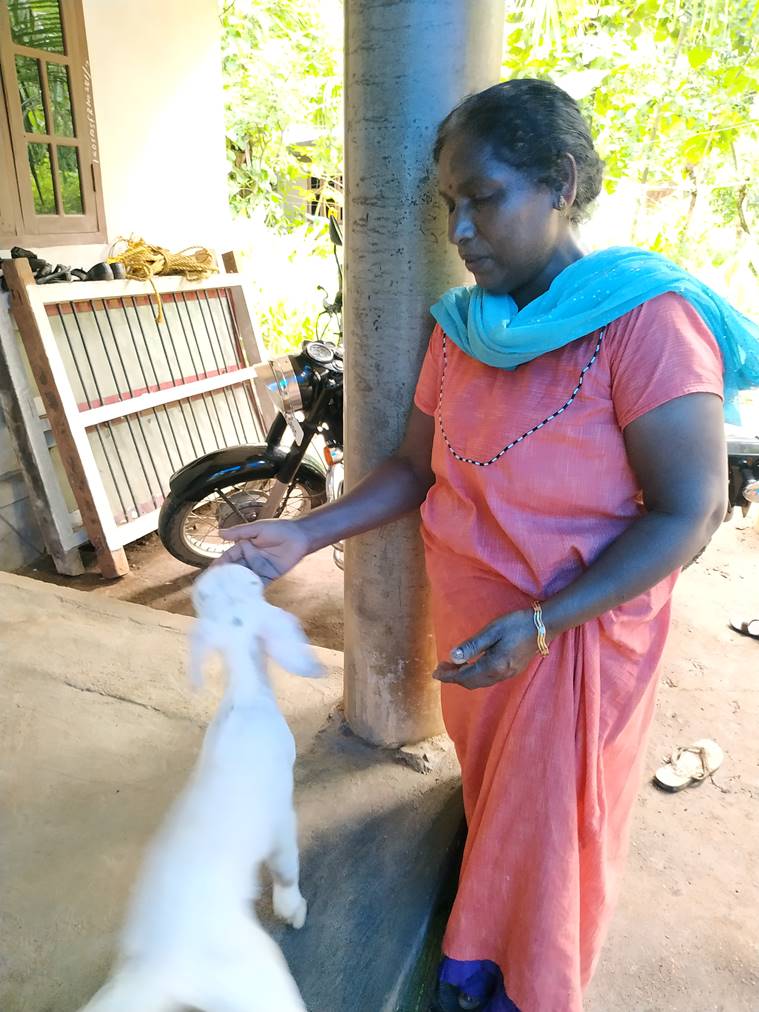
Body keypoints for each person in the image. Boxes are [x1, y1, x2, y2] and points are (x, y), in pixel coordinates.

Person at [219, 79, 759, 1012]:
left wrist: (544, 621)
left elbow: (689, 510)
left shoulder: (648, 324)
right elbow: (410, 470)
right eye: (449, 206)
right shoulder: (465, 329)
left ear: (560, 183)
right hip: (478, 629)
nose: (461, 230)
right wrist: (303, 532)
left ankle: (515, 984)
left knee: (550, 835)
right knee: (502, 805)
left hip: (569, 636)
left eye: (483, 198)